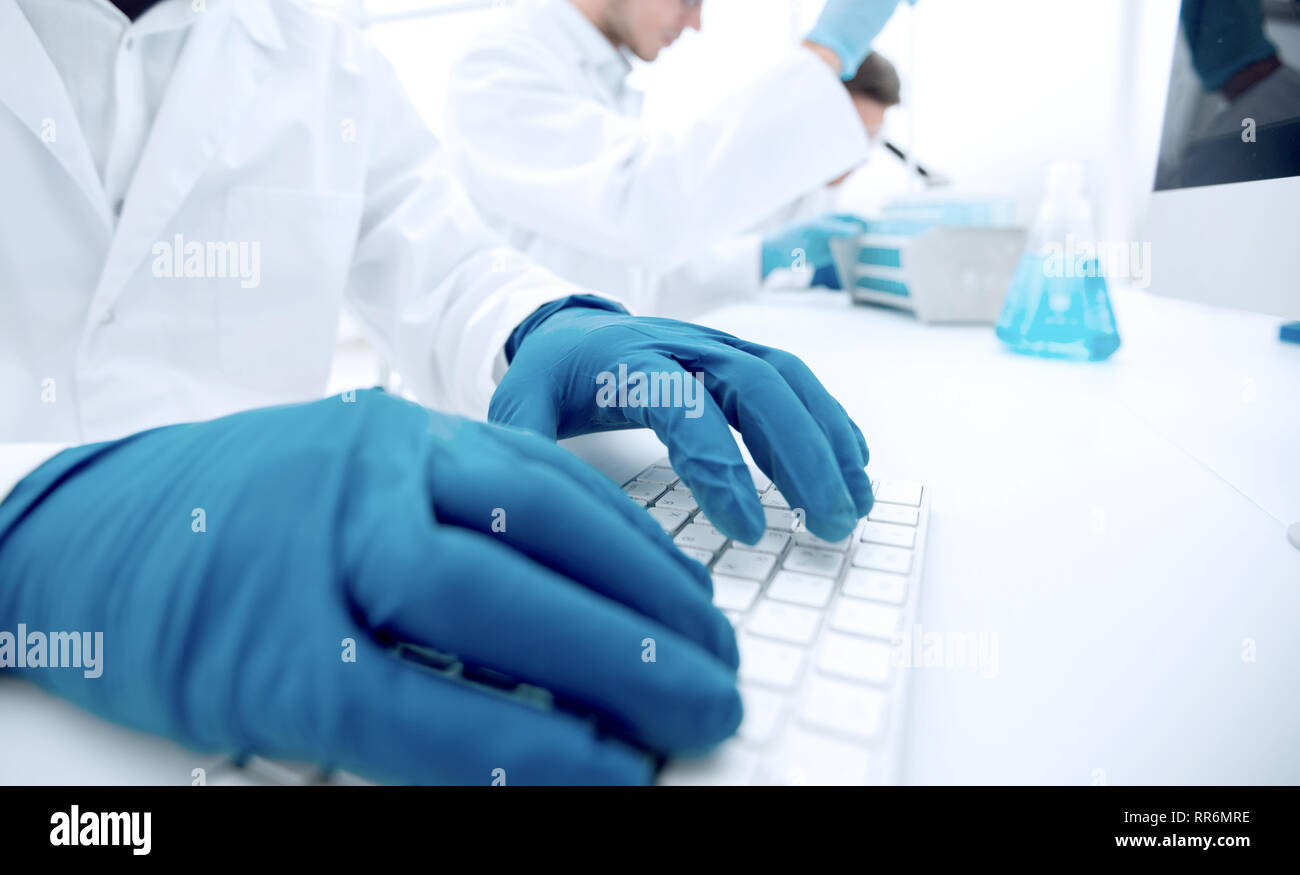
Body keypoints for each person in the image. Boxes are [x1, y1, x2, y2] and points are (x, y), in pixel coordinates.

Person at [0, 0, 875, 784]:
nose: (694, 21)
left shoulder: (325, 57)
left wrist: (545, 323)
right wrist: (34, 510)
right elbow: (640, 199)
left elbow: (446, 264)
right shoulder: (494, 59)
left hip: (308, 631)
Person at [443, 0, 915, 317]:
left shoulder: (600, 80)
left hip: (586, 385)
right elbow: (643, 212)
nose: (696, 23)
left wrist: (764, 259)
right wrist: (826, 53)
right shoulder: (502, 66)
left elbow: (634, 272)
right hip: (515, 405)